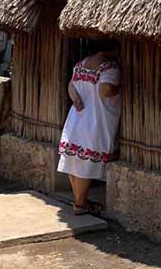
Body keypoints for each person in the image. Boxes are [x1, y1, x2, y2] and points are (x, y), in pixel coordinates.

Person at [57, 39, 122, 215]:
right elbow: (104, 90)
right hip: (96, 119)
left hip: (77, 118)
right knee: (85, 164)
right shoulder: (109, 68)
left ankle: (81, 201)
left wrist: (76, 99)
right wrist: (120, 88)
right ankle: (80, 205)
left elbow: (71, 85)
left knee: (73, 161)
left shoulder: (80, 65)